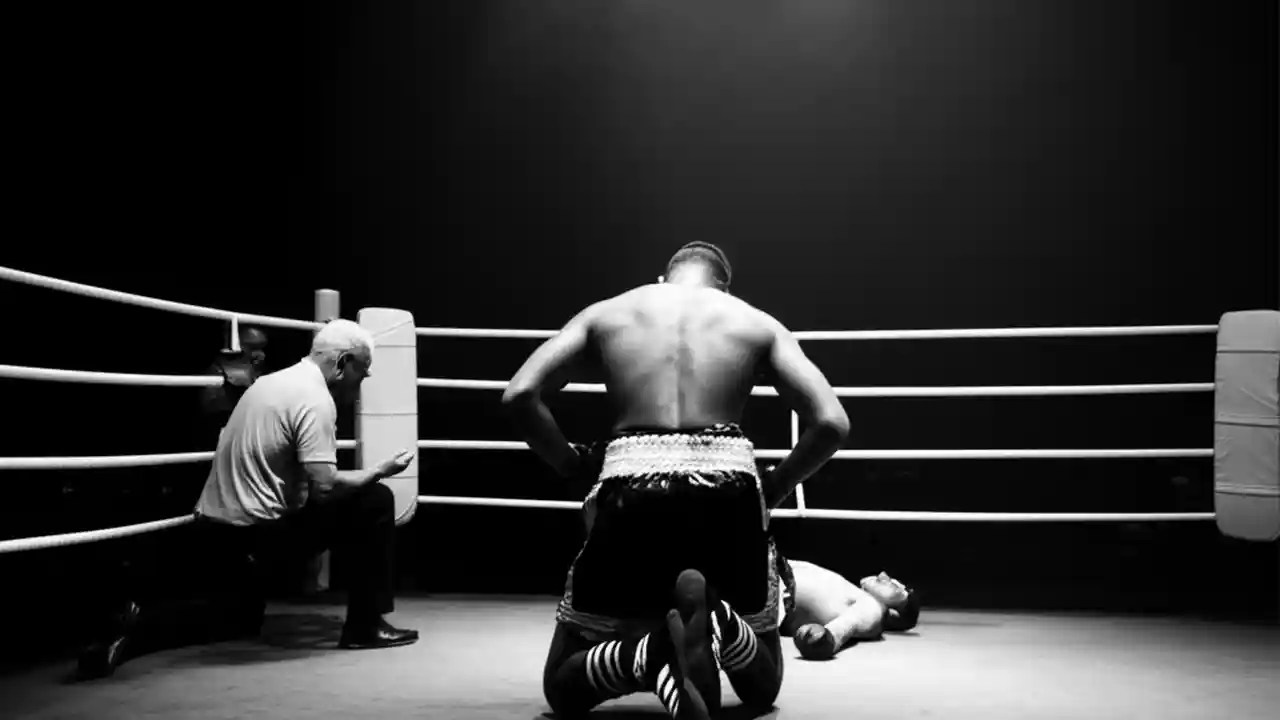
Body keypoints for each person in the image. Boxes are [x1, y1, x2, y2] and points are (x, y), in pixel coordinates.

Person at [503, 242, 849, 719]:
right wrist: (776, 486)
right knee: (762, 689)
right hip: (730, 487)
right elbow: (832, 424)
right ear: (724, 287)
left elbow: (520, 395)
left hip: (631, 482)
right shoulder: (754, 320)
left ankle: (647, 656)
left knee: (562, 687)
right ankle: (721, 621)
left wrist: (570, 466)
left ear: (662, 279)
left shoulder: (609, 312)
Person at [78, 320, 418, 679]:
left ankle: (132, 629)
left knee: (237, 618)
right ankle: (366, 625)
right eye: (362, 373)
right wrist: (380, 470)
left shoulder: (270, 382)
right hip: (258, 537)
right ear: (343, 362)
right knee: (374, 498)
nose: (361, 385)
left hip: (215, 532)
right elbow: (326, 487)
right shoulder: (315, 400)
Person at [775, 551, 920, 661]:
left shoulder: (874, 607)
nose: (883, 575)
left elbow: (847, 625)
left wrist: (826, 638)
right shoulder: (852, 592)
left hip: (773, 588)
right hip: (773, 571)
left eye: (894, 586)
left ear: (895, 612)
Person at [200, 324, 270, 437]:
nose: (260, 354)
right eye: (252, 347)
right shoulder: (218, 371)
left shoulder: (264, 371)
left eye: (262, 347)